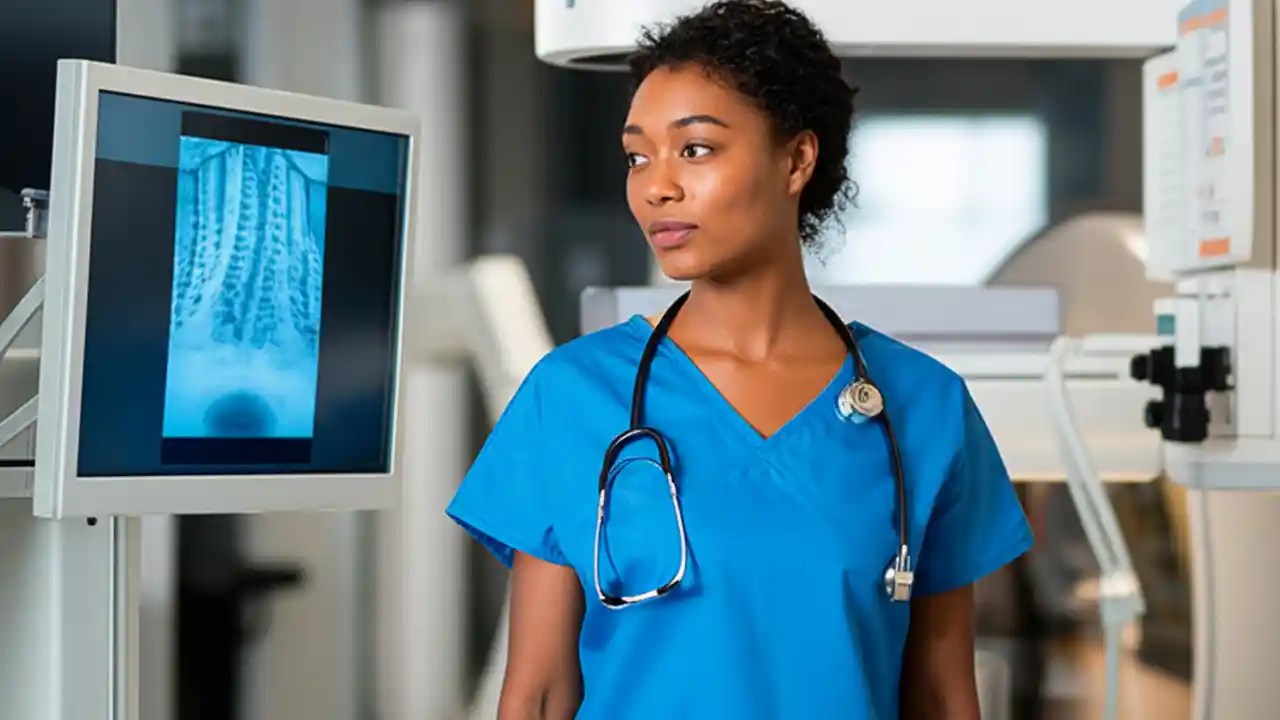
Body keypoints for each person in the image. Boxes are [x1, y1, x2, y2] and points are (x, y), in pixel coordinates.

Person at [446, 1, 1034, 717]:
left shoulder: (923, 405)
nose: (656, 185)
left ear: (796, 159)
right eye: (638, 155)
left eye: (695, 149)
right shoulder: (571, 396)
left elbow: (942, 696)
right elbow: (537, 693)